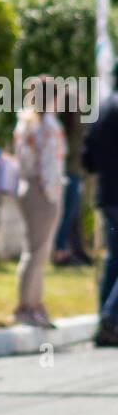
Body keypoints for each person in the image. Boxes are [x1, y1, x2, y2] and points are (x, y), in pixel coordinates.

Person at [12, 77, 66, 328]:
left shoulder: (27, 122)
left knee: (38, 250)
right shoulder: (43, 125)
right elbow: (48, 165)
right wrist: (51, 194)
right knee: (36, 251)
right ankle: (26, 306)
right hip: (42, 191)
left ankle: (35, 302)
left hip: (31, 187)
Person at [81, 72, 118, 343]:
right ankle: (110, 318)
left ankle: (105, 323)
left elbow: (88, 159)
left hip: (107, 196)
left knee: (113, 261)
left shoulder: (102, 109)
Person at [53, 88, 91, 267]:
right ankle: (60, 252)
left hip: (68, 172)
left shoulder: (62, 120)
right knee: (68, 214)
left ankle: (72, 250)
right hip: (72, 172)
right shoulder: (74, 122)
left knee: (71, 214)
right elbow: (79, 147)